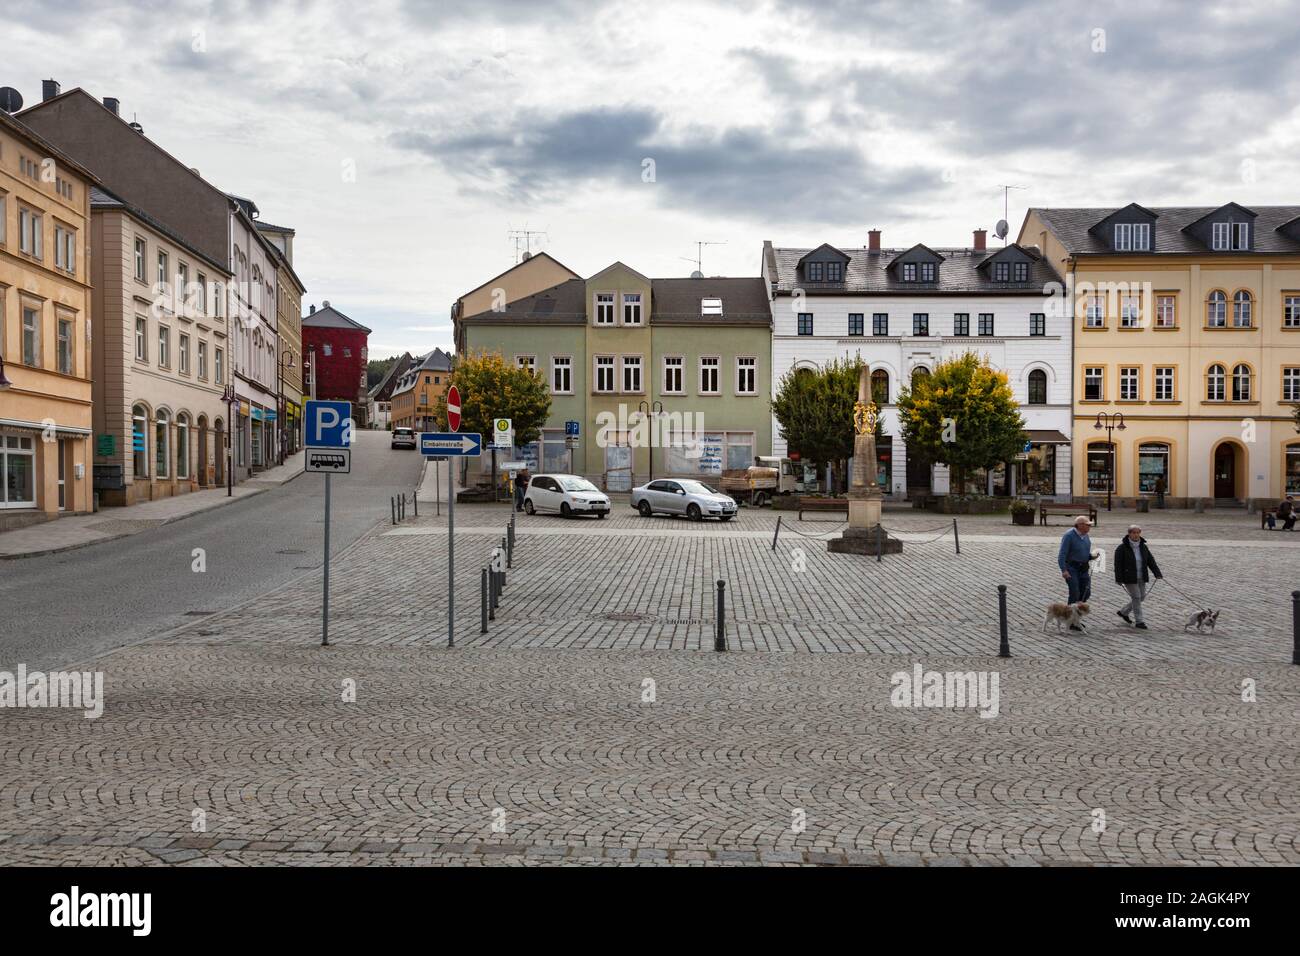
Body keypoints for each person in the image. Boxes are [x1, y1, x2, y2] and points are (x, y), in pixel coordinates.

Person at [1114, 524, 1163, 630]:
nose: (1136, 535)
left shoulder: (1143, 546)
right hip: (1129, 577)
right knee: (1136, 597)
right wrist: (1118, 578)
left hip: (1141, 576)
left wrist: (1157, 573)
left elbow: (1150, 560)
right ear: (1129, 534)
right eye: (1134, 533)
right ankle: (1139, 621)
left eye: (1138, 533)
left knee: (1141, 597)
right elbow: (1117, 564)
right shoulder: (1122, 548)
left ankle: (1123, 612)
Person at [1057, 515, 1094, 628]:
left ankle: (1075, 616)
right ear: (1080, 525)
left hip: (1083, 568)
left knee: (1086, 592)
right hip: (1072, 568)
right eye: (1088, 525)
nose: (1089, 527)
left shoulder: (1086, 536)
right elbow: (1062, 554)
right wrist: (1064, 570)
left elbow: (1084, 552)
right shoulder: (1069, 536)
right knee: (1075, 592)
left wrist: (1091, 557)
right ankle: (1070, 619)